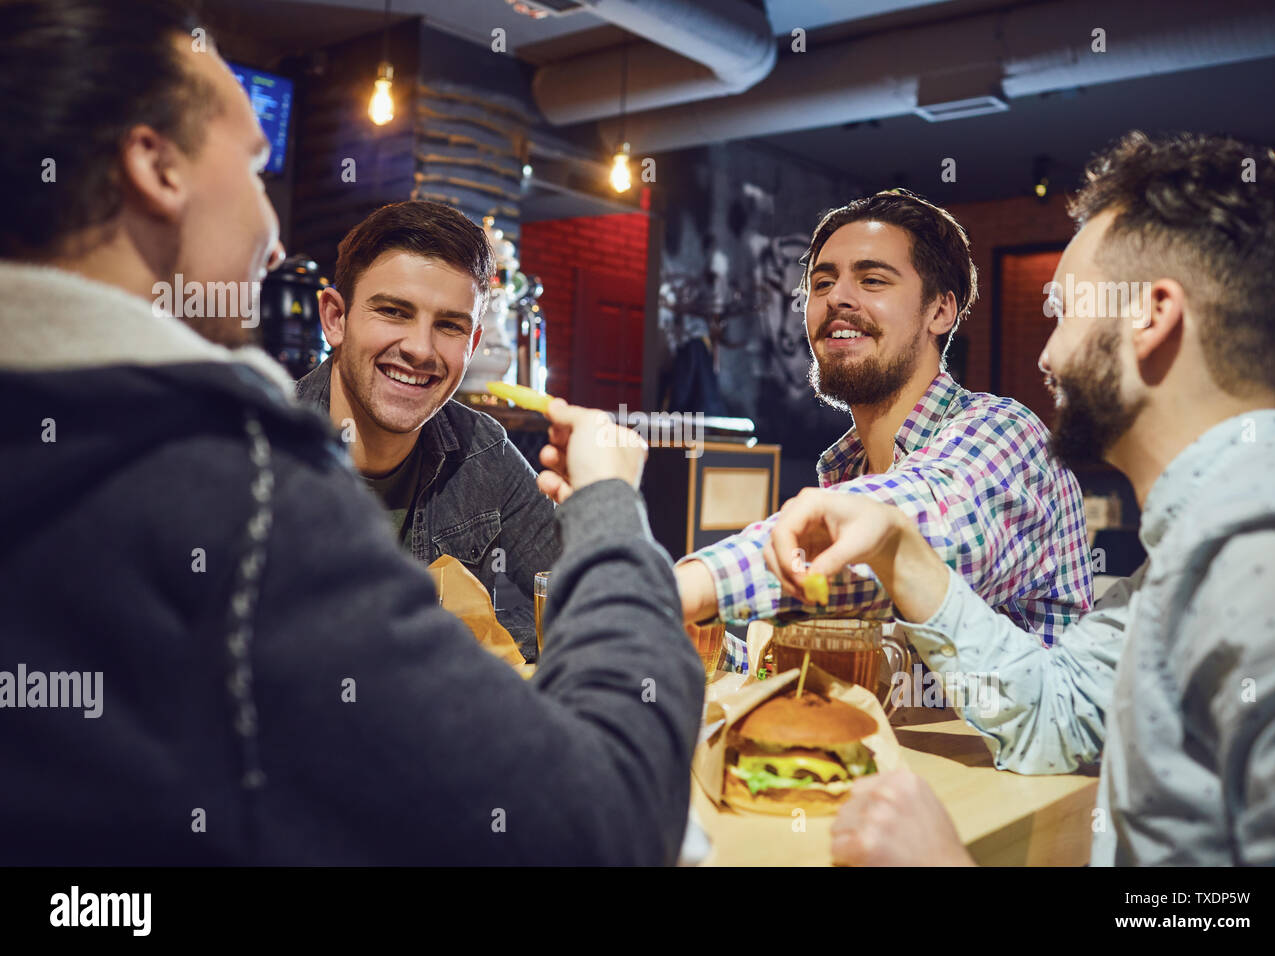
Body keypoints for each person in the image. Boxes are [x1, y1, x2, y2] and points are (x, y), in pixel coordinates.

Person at [0, 0, 703, 865]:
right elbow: (610, 822)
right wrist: (607, 506)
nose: (270, 232)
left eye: (450, 325)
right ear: (156, 165)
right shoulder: (240, 484)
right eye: (257, 169)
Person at [766, 132, 1275, 866]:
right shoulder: (1190, 563)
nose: (1047, 357)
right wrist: (902, 554)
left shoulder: (1269, 562)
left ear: (1151, 318)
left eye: (1065, 313)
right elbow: (1058, 714)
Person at [674, 191, 1094, 671]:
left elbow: (926, 534)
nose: (837, 298)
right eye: (823, 282)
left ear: (941, 311)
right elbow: (826, 678)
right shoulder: (849, 472)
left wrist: (684, 589)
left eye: (872, 280)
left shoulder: (1005, 436)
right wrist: (697, 644)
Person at [297, 201, 560, 659]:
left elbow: (592, 599)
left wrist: (448, 650)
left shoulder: (483, 451)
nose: (421, 349)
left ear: (474, 342)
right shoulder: (251, 450)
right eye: (395, 312)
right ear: (335, 319)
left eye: (449, 326)